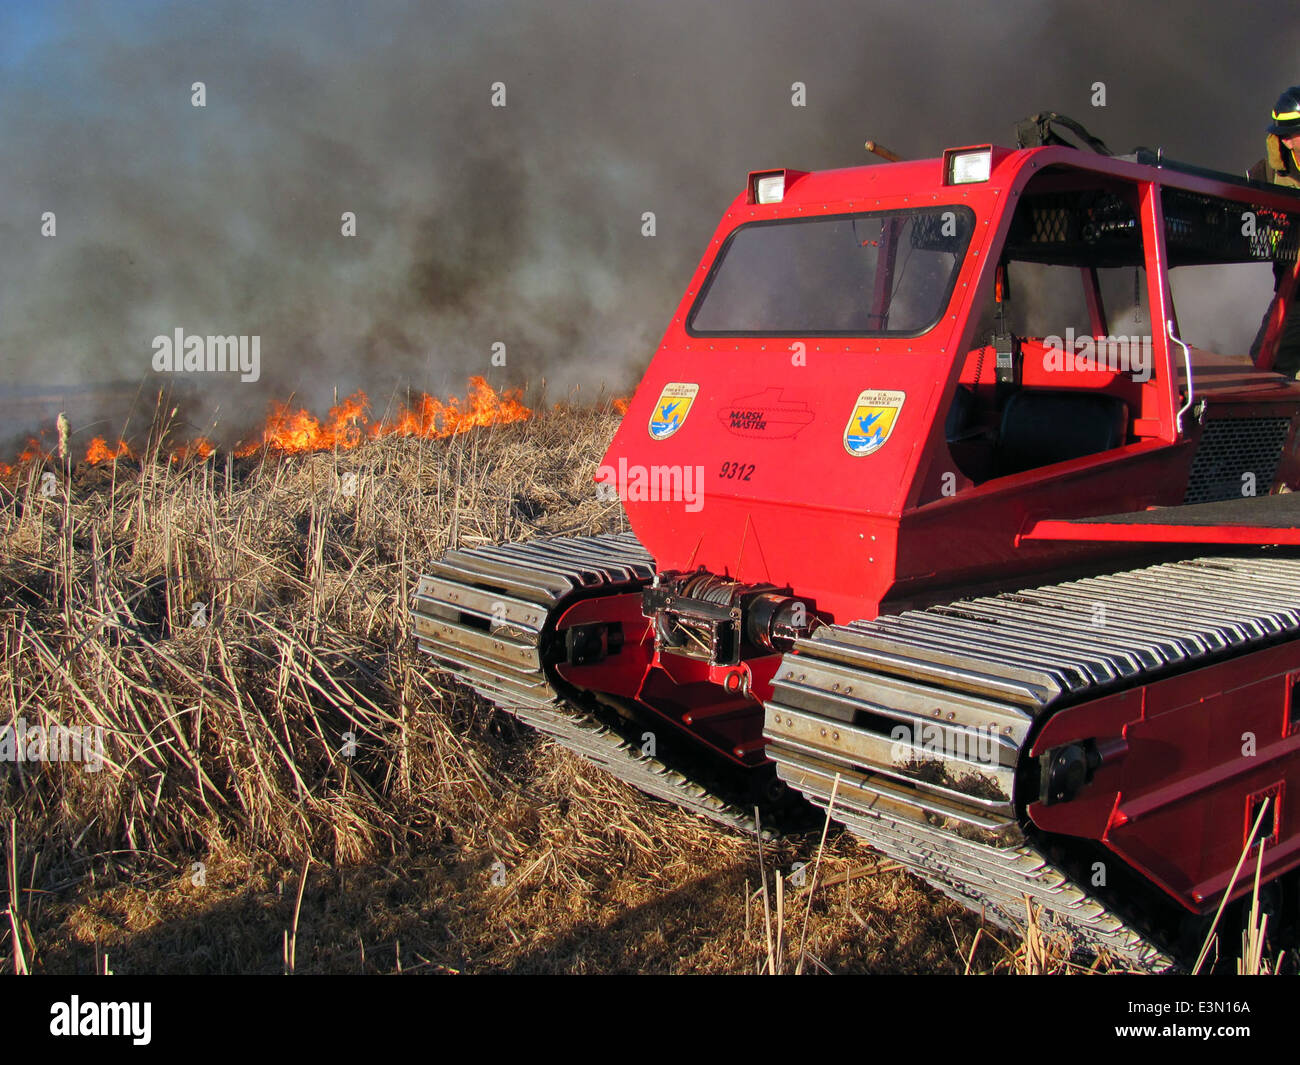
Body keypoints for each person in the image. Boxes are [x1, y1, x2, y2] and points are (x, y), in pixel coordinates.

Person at [1250, 86, 1300, 375]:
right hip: (1295, 293)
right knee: (1266, 362)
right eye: (1288, 135)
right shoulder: (1266, 174)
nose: (1290, 141)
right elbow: (1238, 216)